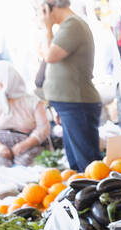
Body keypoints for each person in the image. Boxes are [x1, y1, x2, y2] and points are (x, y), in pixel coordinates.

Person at [40, 0, 101, 175]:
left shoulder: (73, 24)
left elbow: (50, 55)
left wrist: (47, 28)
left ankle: (96, 199)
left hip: (77, 102)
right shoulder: (69, 25)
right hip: (70, 102)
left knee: (87, 165)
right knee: (77, 164)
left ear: (51, 6)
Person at [0, 61, 50, 167]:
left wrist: (25, 145)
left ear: (7, 80)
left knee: (27, 171)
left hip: (29, 143)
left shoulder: (33, 101)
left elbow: (43, 128)